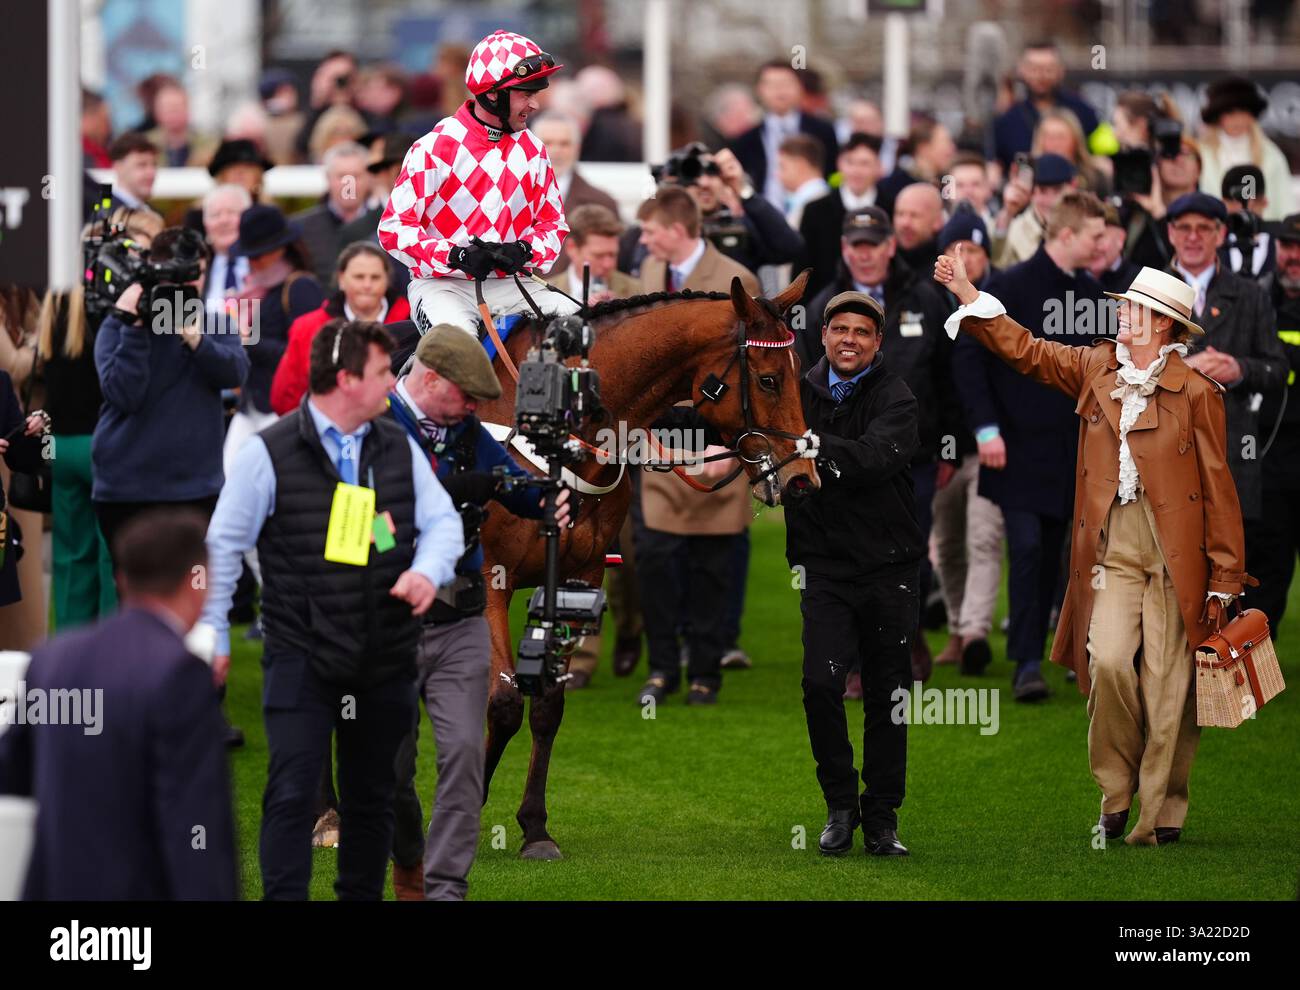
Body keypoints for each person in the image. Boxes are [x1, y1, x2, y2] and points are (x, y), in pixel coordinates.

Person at [937, 253, 1253, 847]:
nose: (1122, 314)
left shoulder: (1197, 392)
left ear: (1162, 325)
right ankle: (1115, 793)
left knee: (1168, 689)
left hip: (1176, 556)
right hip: (1111, 550)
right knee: (1107, 663)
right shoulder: (1094, 367)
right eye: (1127, 305)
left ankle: (1161, 814)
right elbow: (1027, 350)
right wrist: (968, 293)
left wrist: (1226, 577)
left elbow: (1219, 487)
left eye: (1135, 309)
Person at [201, 319, 464, 900]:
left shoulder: (396, 443)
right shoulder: (266, 452)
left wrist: (426, 569)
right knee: (293, 791)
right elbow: (222, 544)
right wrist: (215, 633)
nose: (392, 383)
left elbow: (444, 520)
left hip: (387, 654)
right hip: (302, 653)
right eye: (379, 374)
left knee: (373, 798)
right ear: (345, 380)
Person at [386, 325, 570, 899]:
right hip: (386, 620)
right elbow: (361, 517)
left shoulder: (463, 427)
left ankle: (445, 890)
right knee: (388, 771)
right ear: (431, 378)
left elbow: (505, 480)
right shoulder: (374, 427)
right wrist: (459, 488)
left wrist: (542, 498)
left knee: (465, 758)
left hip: (459, 617)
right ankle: (410, 857)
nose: (475, 407)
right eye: (467, 395)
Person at [0, 510, 238, 899]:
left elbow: (12, 770)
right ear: (199, 583)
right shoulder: (180, 675)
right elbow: (196, 826)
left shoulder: (53, 660)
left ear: (120, 579)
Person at [951, 191, 1107, 698]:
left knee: (1060, 555)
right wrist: (986, 430)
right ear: (1066, 235)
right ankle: (1024, 663)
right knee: (1027, 548)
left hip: (1070, 452)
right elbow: (971, 359)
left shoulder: (1094, 291)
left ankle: (1059, 653)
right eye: (1095, 234)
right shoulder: (1009, 285)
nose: (1102, 244)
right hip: (1013, 448)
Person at [785, 290, 920, 857]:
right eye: (840, 329)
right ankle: (840, 805)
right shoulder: (795, 391)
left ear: (878, 343)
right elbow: (743, 422)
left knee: (888, 695)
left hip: (891, 568)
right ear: (824, 335)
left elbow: (872, 458)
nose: (849, 340)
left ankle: (882, 817)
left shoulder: (898, 396)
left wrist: (807, 444)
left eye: (862, 333)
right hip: (824, 569)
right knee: (820, 683)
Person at [806, 205, 958, 684]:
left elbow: (948, 375)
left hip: (916, 454)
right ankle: (852, 660)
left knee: (909, 550)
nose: (865, 254)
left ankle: (905, 639)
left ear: (891, 246)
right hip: (842, 457)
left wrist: (950, 445)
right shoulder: (821, 309)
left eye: (874, 245)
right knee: (847, 550)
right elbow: (805, 384)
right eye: (856, 245)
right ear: (845, 249)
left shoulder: (926, 298)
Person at [634, 186, 759, 705]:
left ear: (677, 229)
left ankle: (706, 670)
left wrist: (732, 449)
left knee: (713, 565)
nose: (641, 239)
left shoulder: (738, 281)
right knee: (657, 563)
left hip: (717, 439)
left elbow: (752, 373)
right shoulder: (647, 274)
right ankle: (662, 668)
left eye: (649, 229)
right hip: (661, 437)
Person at [379, 29, 578, 339]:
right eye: (526, 94)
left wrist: (525, 250)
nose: (535, 104)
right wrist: (455, 256)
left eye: (536, 94)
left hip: (515, 285)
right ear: (493, 94)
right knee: (460, 349)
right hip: (443, 287)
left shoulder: (534, 150)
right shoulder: (436, 147)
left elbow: (554, 225)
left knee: (581, 330)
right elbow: (393, 229)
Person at [92, 227, 250, 561]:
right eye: (180, 273)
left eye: (198, 273)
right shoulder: (116, 324)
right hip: (126, 488)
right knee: (137, 593)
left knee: (193, 591)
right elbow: (123, 395)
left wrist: (196, 339)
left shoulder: (216, 322)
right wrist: (136, 327)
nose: (190, 283)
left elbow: (235, 373)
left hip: (194, 486)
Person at [39, 208, 163, 629]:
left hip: (61, 447)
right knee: (116, 555)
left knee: (71, 558)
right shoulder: (116, 302)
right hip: (106, 447)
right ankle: (113, 656)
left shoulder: (56, 302)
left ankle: (69, 661)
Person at [1164, 192, 1286, 524]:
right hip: (1166, 450)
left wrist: (1240, 368)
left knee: (1230, 567)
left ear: (1220, 235)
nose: (1193, 237)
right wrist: (1181, 369)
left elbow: (1277, 369)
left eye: (1203, 228)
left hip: (1232, 451)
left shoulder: (1251, 295)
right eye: (1184, 227)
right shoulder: (1149, 293)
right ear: (1170, 233)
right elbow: (1126, 367)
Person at [224, 204, 325, 468]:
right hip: (250, 404)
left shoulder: (301, 286)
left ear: (281, 248)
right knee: (231, 472)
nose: (253, 260)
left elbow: (308, 352)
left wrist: (249, 341)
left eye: (260, 254)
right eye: (251, 254)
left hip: (285, 406)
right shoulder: (254, 289)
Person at [271, 241, 412, 416]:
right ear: (341, 279)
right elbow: (285, 397)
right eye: (359, 277)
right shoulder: (307, 327)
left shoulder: (414, 321)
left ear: (387, 280)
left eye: (375, 277)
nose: (367, 285)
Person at [1248, 214, 1300, 634]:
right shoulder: (1257, 301)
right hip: (1269, 460)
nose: (1294, 256)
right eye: (1286, 247)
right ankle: (1249, 667)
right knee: (1265, 574)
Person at [728, 60, 838, 211]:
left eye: (786, 84)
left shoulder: (822, 131)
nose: (780, 91)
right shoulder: (746, 139)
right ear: (760, 90)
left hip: (812, 213)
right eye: (772, 85)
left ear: (800, 87)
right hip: (763, 214)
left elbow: (834, 173)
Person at [795, 132, 884, 300]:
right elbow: (802, 269)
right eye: (850, 162)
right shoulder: (815, 210)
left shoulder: (891, 208)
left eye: (864, 163)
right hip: (823, 308)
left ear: (878, 167)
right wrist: (800, 318)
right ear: (839, 163)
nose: (857, 170)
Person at [530, 112, 619, 277]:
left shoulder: (602, 202)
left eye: (565, 144)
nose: (556, 151)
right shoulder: (511, 197)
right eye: (548, 143)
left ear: (577, 148)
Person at [987, 40, 1099, 170]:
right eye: (1033, 68)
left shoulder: (1083, 111)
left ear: (1060, 70)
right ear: (1021, 70)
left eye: (1048, 69)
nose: (1041, 75)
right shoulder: (1006, 120)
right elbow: (996, 163)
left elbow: (1100, 153)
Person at [1198, 76, 1294, 221]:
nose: (1237, 120)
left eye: (1242, 112)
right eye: (1230, 113)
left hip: (1263, 234)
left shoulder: (1271, 155)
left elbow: (1285, 205)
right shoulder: (1201, 154)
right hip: (1213, 232)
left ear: (1251, 115)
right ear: (1218, 116)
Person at [337, 131, 418, 291]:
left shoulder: (443, 222)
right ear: (383, 174)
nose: (409, 176)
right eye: (401, 170)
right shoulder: (357, 232)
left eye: (417, 169)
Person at [293, 142, 371, 287]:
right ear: (328, 179)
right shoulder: (300, 229)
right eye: (342, 176)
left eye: (356, 176)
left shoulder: (385, 226)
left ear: (368, 178)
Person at [995, 152, 1078, 268]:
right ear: (1032, 193)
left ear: (1073, 187)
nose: (1051, 201)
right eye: (1042, 191)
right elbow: (997, 263)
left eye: (1057, 190)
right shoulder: (1016, 230)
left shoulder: (1085, 225)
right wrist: (1007, 213)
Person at [545, 204, 638, 304]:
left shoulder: (636, 290)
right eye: (598, 256)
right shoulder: (545, 293)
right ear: (571, 248)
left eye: (612, 255)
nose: (608, 264)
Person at [875, 118, 956, 218]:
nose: (952, 148)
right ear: (924, 148)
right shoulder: (891, 187)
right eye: (946, 142)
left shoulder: (947, 183)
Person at [201, 184, 253, 313]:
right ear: (205, 224)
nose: (223, 220)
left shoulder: (265, 265)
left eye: (232, 212)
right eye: (215, 215)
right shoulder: (198, 269)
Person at [1218, 164, 1275, 279]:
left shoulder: (1284, 243)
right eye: (1235, 202)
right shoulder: (1214, 244)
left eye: (1249, 203)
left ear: (1264, 202)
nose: (1243, 211)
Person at [144, 78, 216, 168]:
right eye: (167, 109)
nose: (172, 114)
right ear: (157, 112)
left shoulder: (209, 145)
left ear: (188, 110)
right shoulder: (144, 145)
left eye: (176, 108)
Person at [776, 134, 830, 230]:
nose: (777, 174)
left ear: (801, 165)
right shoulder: (801, 201)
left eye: (782, 167)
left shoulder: (813, 203)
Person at [1090, 201, 1143, 294]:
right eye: (1087, 237)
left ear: (1120, 239)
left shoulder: (1140, 283)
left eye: (1100, 237)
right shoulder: (1070, 278)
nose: (1094, 246)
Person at [891, 183, 945, 271]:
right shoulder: (884, 261)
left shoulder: (946, 269)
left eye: (914, 215)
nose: (905, 223)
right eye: (900, 214)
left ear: (937, 221)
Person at [106, 131, 158, 212]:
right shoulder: (105, 215)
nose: (151, 172)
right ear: (118, 167)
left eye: (154, 165)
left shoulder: (153, 213)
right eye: (141, 165)